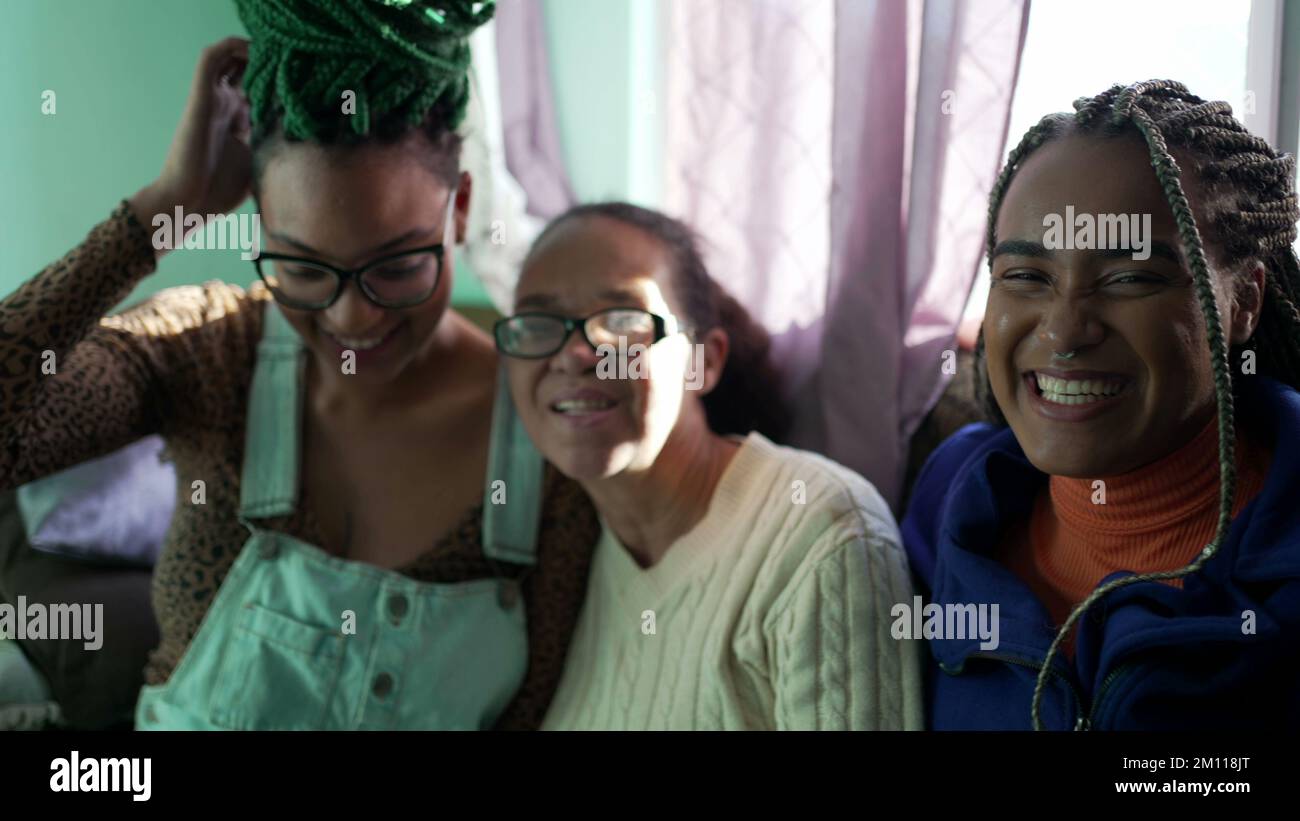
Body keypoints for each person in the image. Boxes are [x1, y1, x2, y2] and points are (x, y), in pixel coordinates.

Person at [0, 0, 599, 730]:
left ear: (463, 210)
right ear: (256, 216)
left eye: (400, 263)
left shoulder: (548, 429)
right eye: (304, 268)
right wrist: (163, 210)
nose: (352, 319)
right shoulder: (211, 348)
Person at [902, 80, 1300, 730]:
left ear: (1245, 303)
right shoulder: (950, 503)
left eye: (1130, 278)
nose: (1063, 330)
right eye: (1027, 276)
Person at [494, 203, 923, 729]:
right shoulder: (562, 552)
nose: (577, 353)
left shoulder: (821, 534)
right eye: (538, 322)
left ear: (705, 361)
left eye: (623, 320)